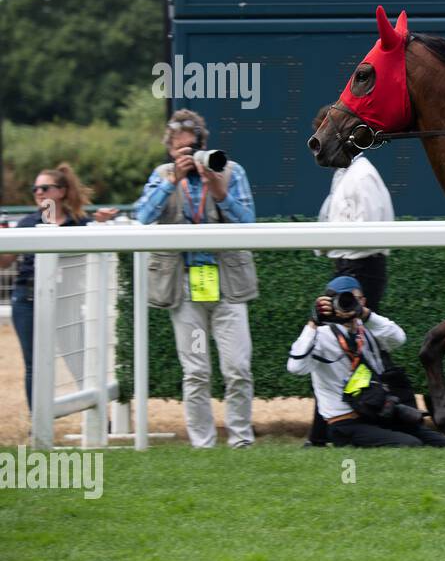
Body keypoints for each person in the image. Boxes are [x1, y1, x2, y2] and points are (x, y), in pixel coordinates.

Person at [133, 110, 258, 448]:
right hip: (184, 284)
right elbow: (142, 218)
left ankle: (241, 441)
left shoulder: (231, 171)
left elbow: (250, 225)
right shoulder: (162, 175)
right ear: (170, 150)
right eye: (180, 150)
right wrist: (171, 180)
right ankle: (203, 445)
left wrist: (220, 192)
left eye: (193, 147)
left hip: (227, 281)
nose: (187, 155)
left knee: (238, 368)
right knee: (196, 371)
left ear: (205, 144)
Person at [286, 275, 445, 455]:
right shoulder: (321, 336)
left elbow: (398, 338)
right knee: (411, 445)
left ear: (363, 301)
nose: (349, 304)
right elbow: (295, 367)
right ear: (329, 305)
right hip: (345, 423)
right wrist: (312, 323)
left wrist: (367, 316)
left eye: (355, 299)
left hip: (376, 412)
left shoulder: (366, 330)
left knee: (440, 443)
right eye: (342, 300)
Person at [305, 105, 396, 445]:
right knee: (348, 348)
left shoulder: (363, 175)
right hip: (349, 268)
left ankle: (321, 435)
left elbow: (369, 236)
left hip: (360, 270)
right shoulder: (345, 174)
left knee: (341, 347)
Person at [0, 164, 118, 410]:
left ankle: (98, 418)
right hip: (28, 298)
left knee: (78, 358)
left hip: (66, 298)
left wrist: (104, 225)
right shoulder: (27, 223)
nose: (39, 193)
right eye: (35, 189)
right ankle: (39, 423)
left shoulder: (80, 223)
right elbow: (5, 263)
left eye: (45, 188)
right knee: (34, 364)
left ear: (62, 192)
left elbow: (101, 253)